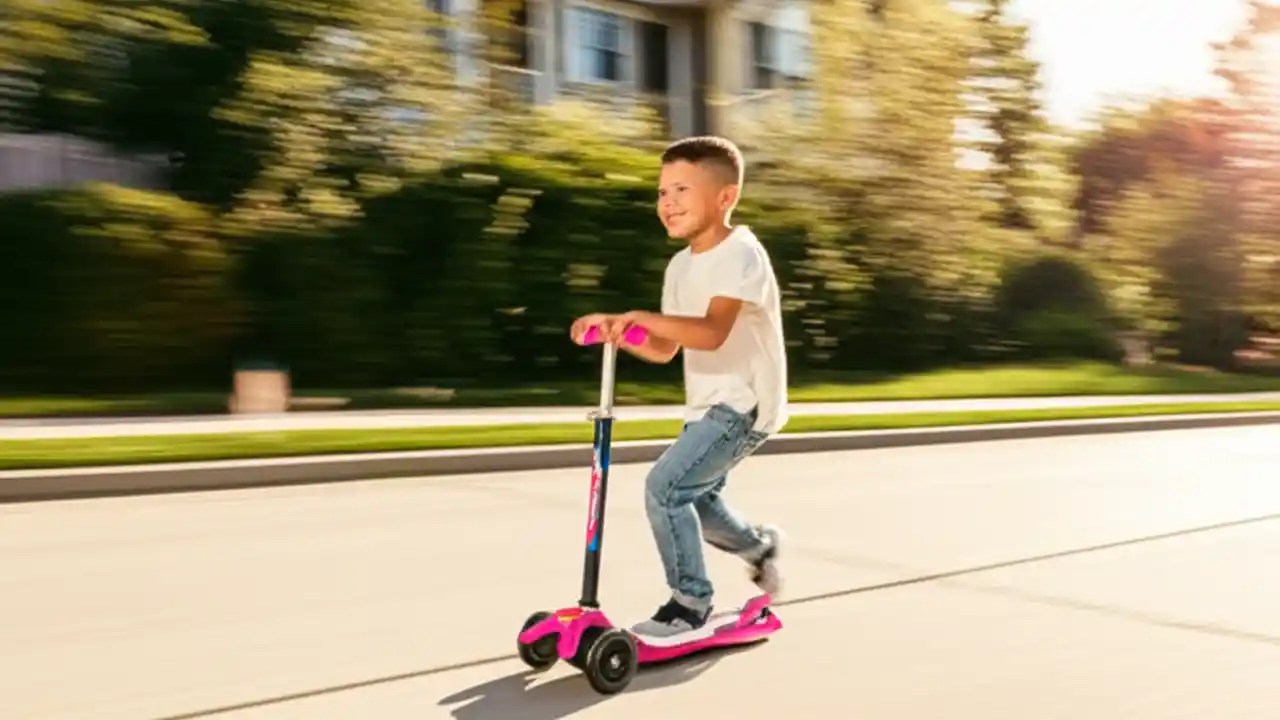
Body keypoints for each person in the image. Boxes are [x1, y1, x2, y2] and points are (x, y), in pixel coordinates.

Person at [570, 135, 788, 638]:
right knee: (697, 500)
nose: (666, 203)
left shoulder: (741, 254)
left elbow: (711, 333)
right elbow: (666, 347)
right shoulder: (680, 266)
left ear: (725, 197)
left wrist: (644, 316)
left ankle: (690, 603)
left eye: (681, 189)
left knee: (664, 489)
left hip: (745, 404)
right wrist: (620, 332)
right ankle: (758, 548)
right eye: (662, 191)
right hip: (708, 406)